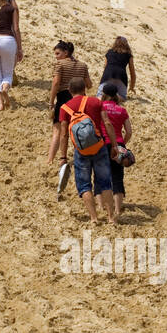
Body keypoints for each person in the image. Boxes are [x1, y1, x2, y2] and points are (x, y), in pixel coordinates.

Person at [59, 78, 120, 224]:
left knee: (85, 185)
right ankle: (111, 217)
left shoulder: (64, 108)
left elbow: (63, 134)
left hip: (81, 151)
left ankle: (94, 218)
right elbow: (107, 123)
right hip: (99, 146)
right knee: (105, 183)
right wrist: (114, 145)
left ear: (69, 91)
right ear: (85, 88)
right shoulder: (96, 102)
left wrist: (62, 157)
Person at [47, 41, 91, 166]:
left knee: (58, 130)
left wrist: (51, 102)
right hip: (80, 100)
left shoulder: (59, 65)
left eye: (57, 53)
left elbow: (55, 84)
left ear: (66, 52)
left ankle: (53, 159)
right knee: (80, 129)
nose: (56, 56)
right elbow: (89, 84)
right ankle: (83, 155)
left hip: (63, 98)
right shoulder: (82, 65)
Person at [100, 82, 132, 221]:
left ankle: (103, 207)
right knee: (117, 176)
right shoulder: (122, 110)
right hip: (118, 144)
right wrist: (122, 144)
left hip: (103, 143)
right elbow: (129, 132)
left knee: (101, 176)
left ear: (104, 94)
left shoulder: (100, 108)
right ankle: (118, 210)